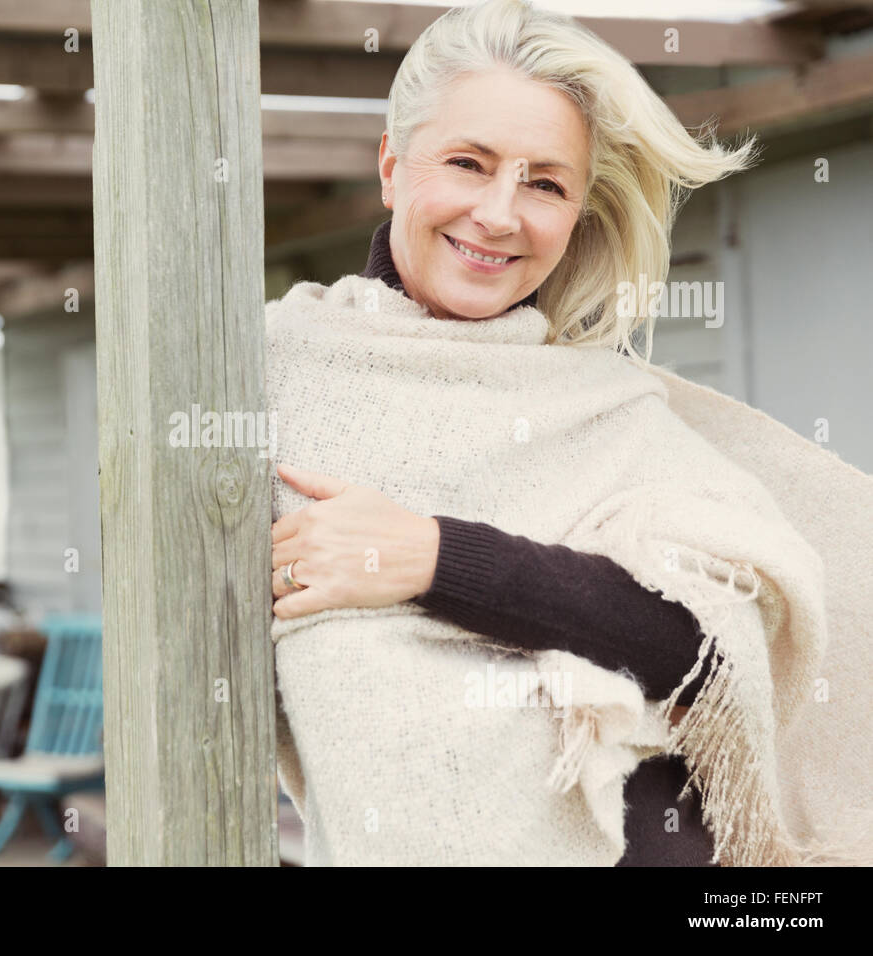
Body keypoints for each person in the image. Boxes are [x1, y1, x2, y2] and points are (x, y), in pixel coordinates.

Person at [267, 0, 774, 866]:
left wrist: (432, 557)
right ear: (391, 167)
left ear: (577, 210)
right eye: (469, 163)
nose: (501, 215)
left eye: (545, 183)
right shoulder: (272, 373)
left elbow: (711, 648)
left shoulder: (603, 404)